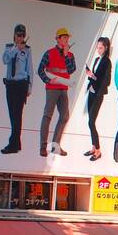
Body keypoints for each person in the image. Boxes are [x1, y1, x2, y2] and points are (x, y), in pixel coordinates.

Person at [38, 27, 76, 157]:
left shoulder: (70, 55)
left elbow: (71, 70)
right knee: (47, 116)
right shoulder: (49, 53)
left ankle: (55, 146)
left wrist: (66, 55)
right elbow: (40, 70)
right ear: (58, 39)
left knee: (64, 116)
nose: (66, 40)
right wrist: (48, 80)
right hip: (52, 88)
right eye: (64, 37)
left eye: (67, 38)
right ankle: (43, 147)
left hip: (63, 89)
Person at [1, 23, 33, 154]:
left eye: (22, 35)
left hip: (21, 85)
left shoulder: (28, 50)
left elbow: (29, 69)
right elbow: (5, 60)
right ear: (14, 35)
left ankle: (12, 145)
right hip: (10, 85)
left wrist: (29, 87)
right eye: (18, 35)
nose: (20, 37)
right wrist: (16, 49)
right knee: (12, 115)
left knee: (17, 115)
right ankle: (16, 144)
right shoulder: (9, 47)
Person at [83, 36, 112, 161]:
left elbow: (106, 81)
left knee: (91, 121)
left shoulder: (107, 62)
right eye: (97, 47)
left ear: (105, 48)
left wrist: (94, 77)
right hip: (91, 91)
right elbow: (95, 77)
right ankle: (94, 147)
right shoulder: (96, 60)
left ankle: (98, 150)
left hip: (98, 93)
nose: (98, 49)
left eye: (100, 47)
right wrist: (90, 75)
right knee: (90, 120)